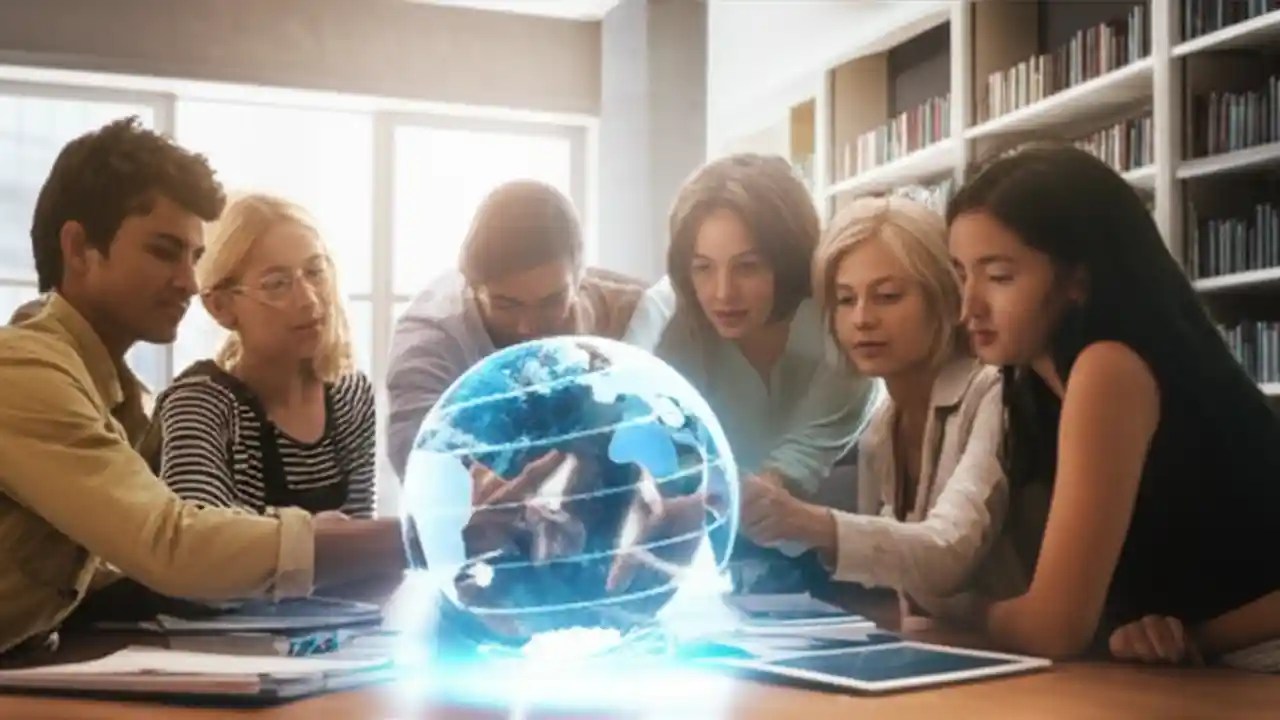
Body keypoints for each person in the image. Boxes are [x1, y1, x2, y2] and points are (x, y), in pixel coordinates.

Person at [0, 117, 402, 658]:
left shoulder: (115, 397)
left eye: (193, 257)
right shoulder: (23, 372)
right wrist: (413, 538)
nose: (190, 282)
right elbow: (171, 545)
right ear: (78, 249)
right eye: (164, 251)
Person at [947, 144, 1280, 669]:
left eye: (1000, 276)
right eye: (961, 274)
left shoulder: (1109, 368)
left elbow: (1055, 627)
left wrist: (961, 607)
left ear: (1080, 279)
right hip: (1213, 670)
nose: (969, 307)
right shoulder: (1027, 387)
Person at [739, 193, 1024, 626]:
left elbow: (947, 555)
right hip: (953, 649)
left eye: (888, 296)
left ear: (944, 298)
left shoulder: (991, 392)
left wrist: (805, 522)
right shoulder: (881, 424)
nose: (862, 319)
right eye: (845, 299)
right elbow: (894, 573)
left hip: (1044, 668)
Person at [625, 153, 878, 503]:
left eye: (747, 267)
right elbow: (645, 433)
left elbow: (798, 461)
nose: (723, 293)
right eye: (703, 268)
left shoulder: (841, 323)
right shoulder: (673, 322)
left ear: (787, 261)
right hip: (712, 510)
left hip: (829, 508)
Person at [386, 180, 646, 480]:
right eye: (507, 304)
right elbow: (418, 455)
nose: (528, 326)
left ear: (579, 281)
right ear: (472, 286)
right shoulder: (430, 340)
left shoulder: (630, 311)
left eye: (551, 302)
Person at [151, 193, 375, 517]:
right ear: (221, 307)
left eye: (315, 272)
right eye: (277, 284)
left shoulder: (350, 394)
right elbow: (199, 549)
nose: (309, 301)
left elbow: (361, 540)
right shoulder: (200, 405)